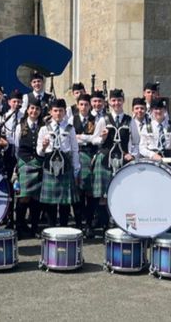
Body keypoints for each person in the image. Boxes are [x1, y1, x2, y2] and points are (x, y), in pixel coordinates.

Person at [90, 89, 134, 237]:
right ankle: (104, 227)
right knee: (103, 196)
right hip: (104, 161)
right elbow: (94, 139)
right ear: (109, 102)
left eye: (119, 100)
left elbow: (136, 142)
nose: (116, 103)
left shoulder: (130, 120)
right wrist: (102, 138)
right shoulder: (104, 119)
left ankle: (119, 225)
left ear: (123, 101)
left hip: (123, 162)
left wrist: (131, 154)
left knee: (122, 195)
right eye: (113, 100)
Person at [36, 99, 79, 227]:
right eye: (55, 111)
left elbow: (75, 150)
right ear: (50, 112)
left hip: (66, 167)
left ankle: (64, 227)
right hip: (49, 167)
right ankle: (51, 228)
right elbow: (39, 152)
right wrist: (44, 147)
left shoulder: (70, 129)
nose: (58, 113)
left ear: (65, 112)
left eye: (61, 111)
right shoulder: (44, 129)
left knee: (65, 202)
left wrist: (76, 169)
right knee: (51, 203)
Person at [72, 93, 104, 237]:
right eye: (81, 104)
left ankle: (89, 224)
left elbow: (97, 139)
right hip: (77, 155)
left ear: (90, 106)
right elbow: (72, 139)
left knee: (91, 193)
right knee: (79, 192)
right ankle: (79, 224)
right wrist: (87, 139)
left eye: (86, 105)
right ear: (77, 105)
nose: (84, 107)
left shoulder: (96, 119)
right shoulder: (72, 119)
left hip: (92, 156)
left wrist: (83, 137)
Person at [11, 99, 44, 237]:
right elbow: (17, 147)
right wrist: (19, 164)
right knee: (23, 197)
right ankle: (19, 227)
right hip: (24, 163)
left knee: (36, 198)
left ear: (40, 111)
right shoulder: (20, 126)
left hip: (38, 164)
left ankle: (34, 228)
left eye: (37, 109)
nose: (34, 111)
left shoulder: (43, 126)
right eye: (31, 108)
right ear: (27, 110)